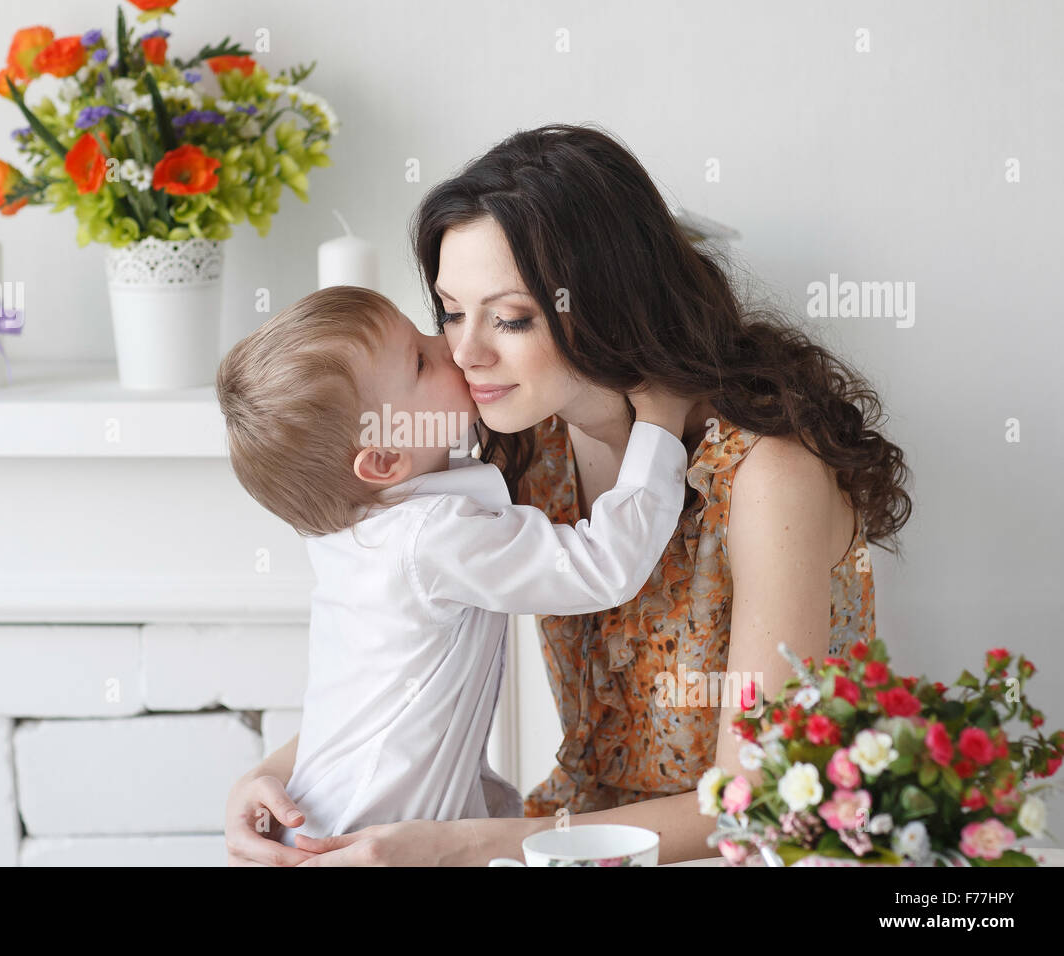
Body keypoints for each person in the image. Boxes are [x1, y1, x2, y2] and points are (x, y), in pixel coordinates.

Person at [226, 123, 912, 866]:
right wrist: (270, 778)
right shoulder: (524, 450)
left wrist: (455, 847)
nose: (464, 352)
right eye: (451, 313)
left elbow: (756, 804)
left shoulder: (766, 476)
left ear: (609, 306)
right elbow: (391, 664)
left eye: (511, 318)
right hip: (562, 841)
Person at [216, 283, 695, 851]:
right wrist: (660, 425)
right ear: (386, 457)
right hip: (365, 842)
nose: (452, 348)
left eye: (426, 328)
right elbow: (601, 567)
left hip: (331, 818)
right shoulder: (429, 537)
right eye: (421, 361)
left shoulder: (355, 529)